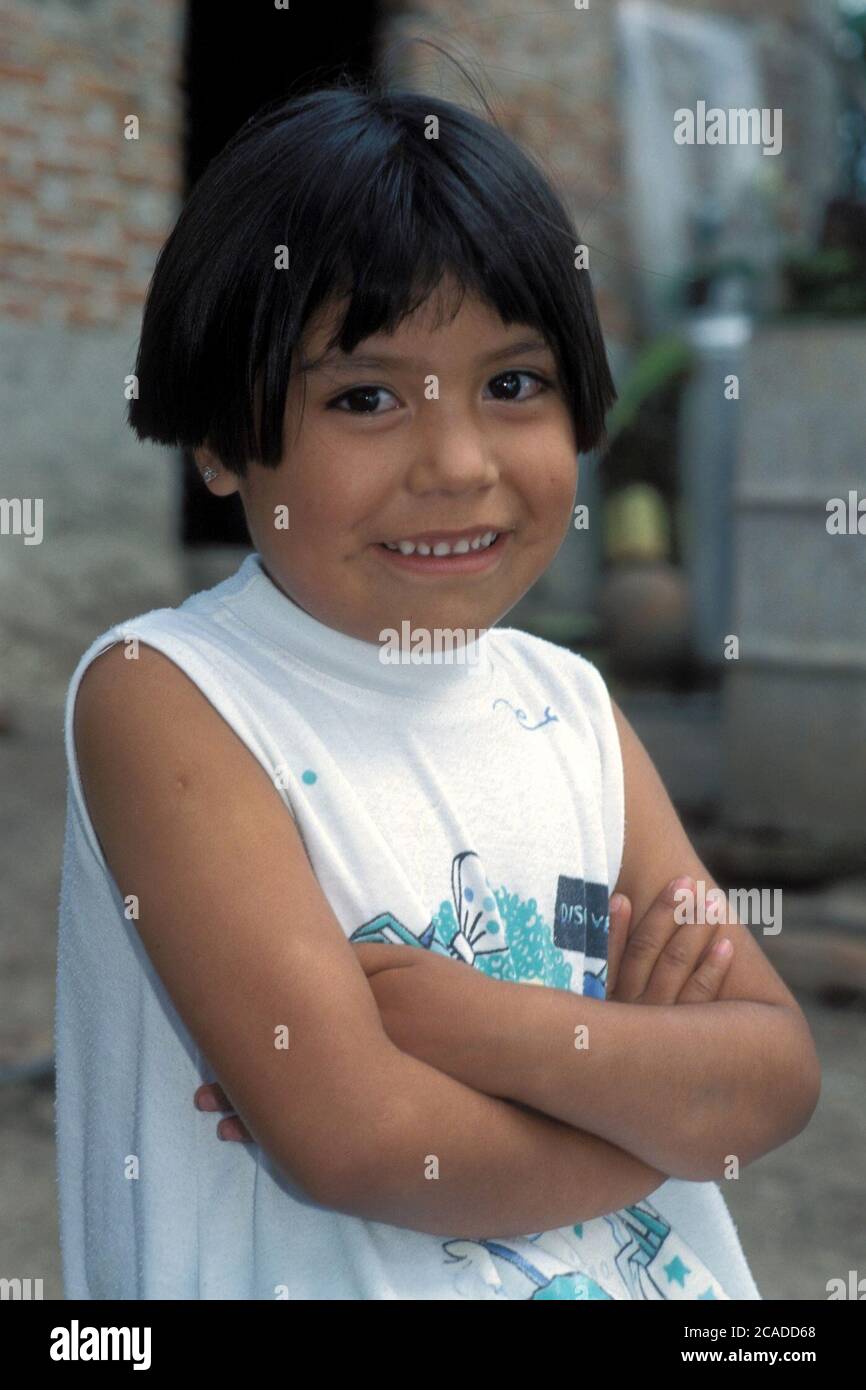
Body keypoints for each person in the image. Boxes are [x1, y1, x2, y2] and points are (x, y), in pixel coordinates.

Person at [55, 80, 819, 1300]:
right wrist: (647, 1101)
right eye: (363, 397)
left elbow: (771, 1075)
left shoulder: (566, 706)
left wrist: (477, 1029)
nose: (458, 464)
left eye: (512, 384)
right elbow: (356, 1139)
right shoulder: (173, 697)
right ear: (213, 437)